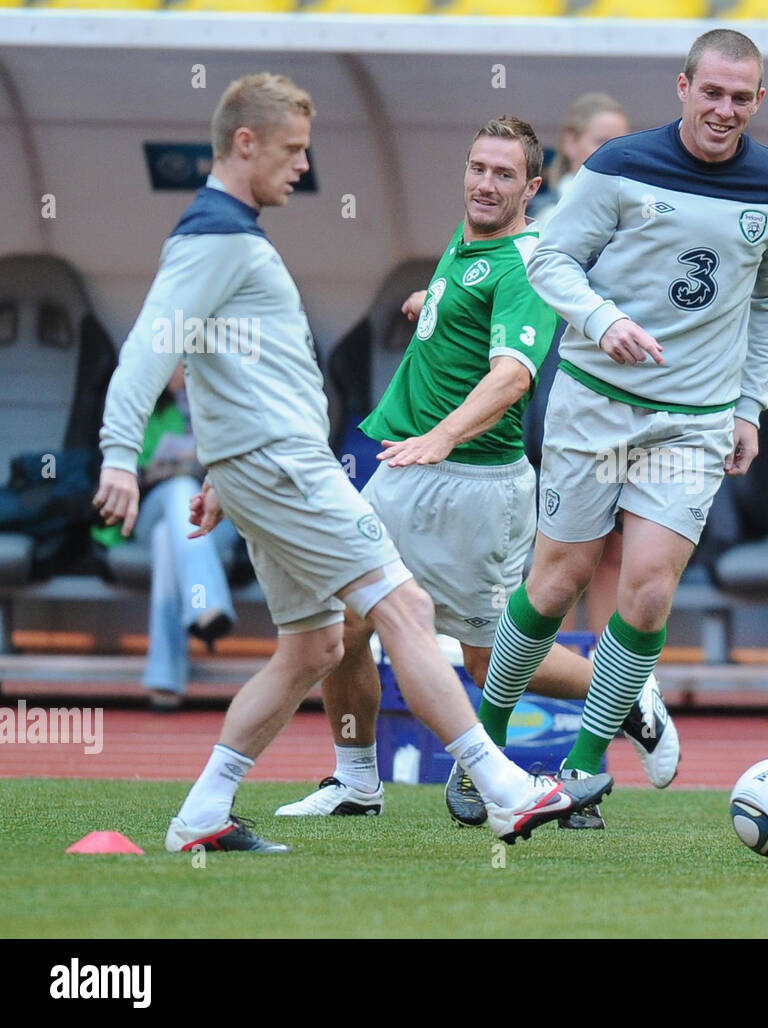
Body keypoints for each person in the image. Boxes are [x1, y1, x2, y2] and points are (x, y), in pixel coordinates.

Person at [94, 73, 611, 853]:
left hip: (265, 467)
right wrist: (118, 456)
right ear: (246, 143)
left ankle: (204, 812)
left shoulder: (225, 236)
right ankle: (506, 790)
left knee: (313, 646)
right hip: (290, 470)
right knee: (403, 613)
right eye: (293, 150)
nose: (302, 167)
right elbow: (150, 348)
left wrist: (222, 470)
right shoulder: (219, 238)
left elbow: (233, 368)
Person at [273, 116, 679, 826]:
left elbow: (513, 376)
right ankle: (357, 780)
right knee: (339, 625)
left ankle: (628, 693)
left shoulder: (529, 258)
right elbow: (471, 318)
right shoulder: (471, 241)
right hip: (408, 471)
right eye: (477, 168)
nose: (484, 184)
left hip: (471, 487)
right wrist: (430, 305)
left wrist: (442, 436)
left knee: (490, 666)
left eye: (502, 174)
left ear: (532, 187)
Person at [476, 28, 768, 821]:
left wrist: (748, 408)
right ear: (684, 87)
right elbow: (549, 260)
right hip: (593, 402)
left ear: (759, 100)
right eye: (712, 92)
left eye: (741, 97)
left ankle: (584, 769)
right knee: (556, 581)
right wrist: (602, 321)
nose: (724, 109)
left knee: (650, 591)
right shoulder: (620, 165)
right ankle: (482, 754)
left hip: (692, 423)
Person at [524, 93, 631, 635]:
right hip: (551, 392)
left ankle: (609, 694)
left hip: (620, 394)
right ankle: (553, 688)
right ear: (569, 145)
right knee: (560, 553)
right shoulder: (543, 213)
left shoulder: (638, 207)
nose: (611, 154)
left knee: (614, 547)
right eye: (598, 142)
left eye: (621, 143)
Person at [93, 364, 238, 711]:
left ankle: (165, 677)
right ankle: (204, 604)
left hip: (216, 517)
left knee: (167, 541)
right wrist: (176, 468)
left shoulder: (226, 405)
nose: (184, 368)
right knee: (178, 491)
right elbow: (129, 469)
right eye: (176, 360)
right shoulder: (147, 408)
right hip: (152, 506)